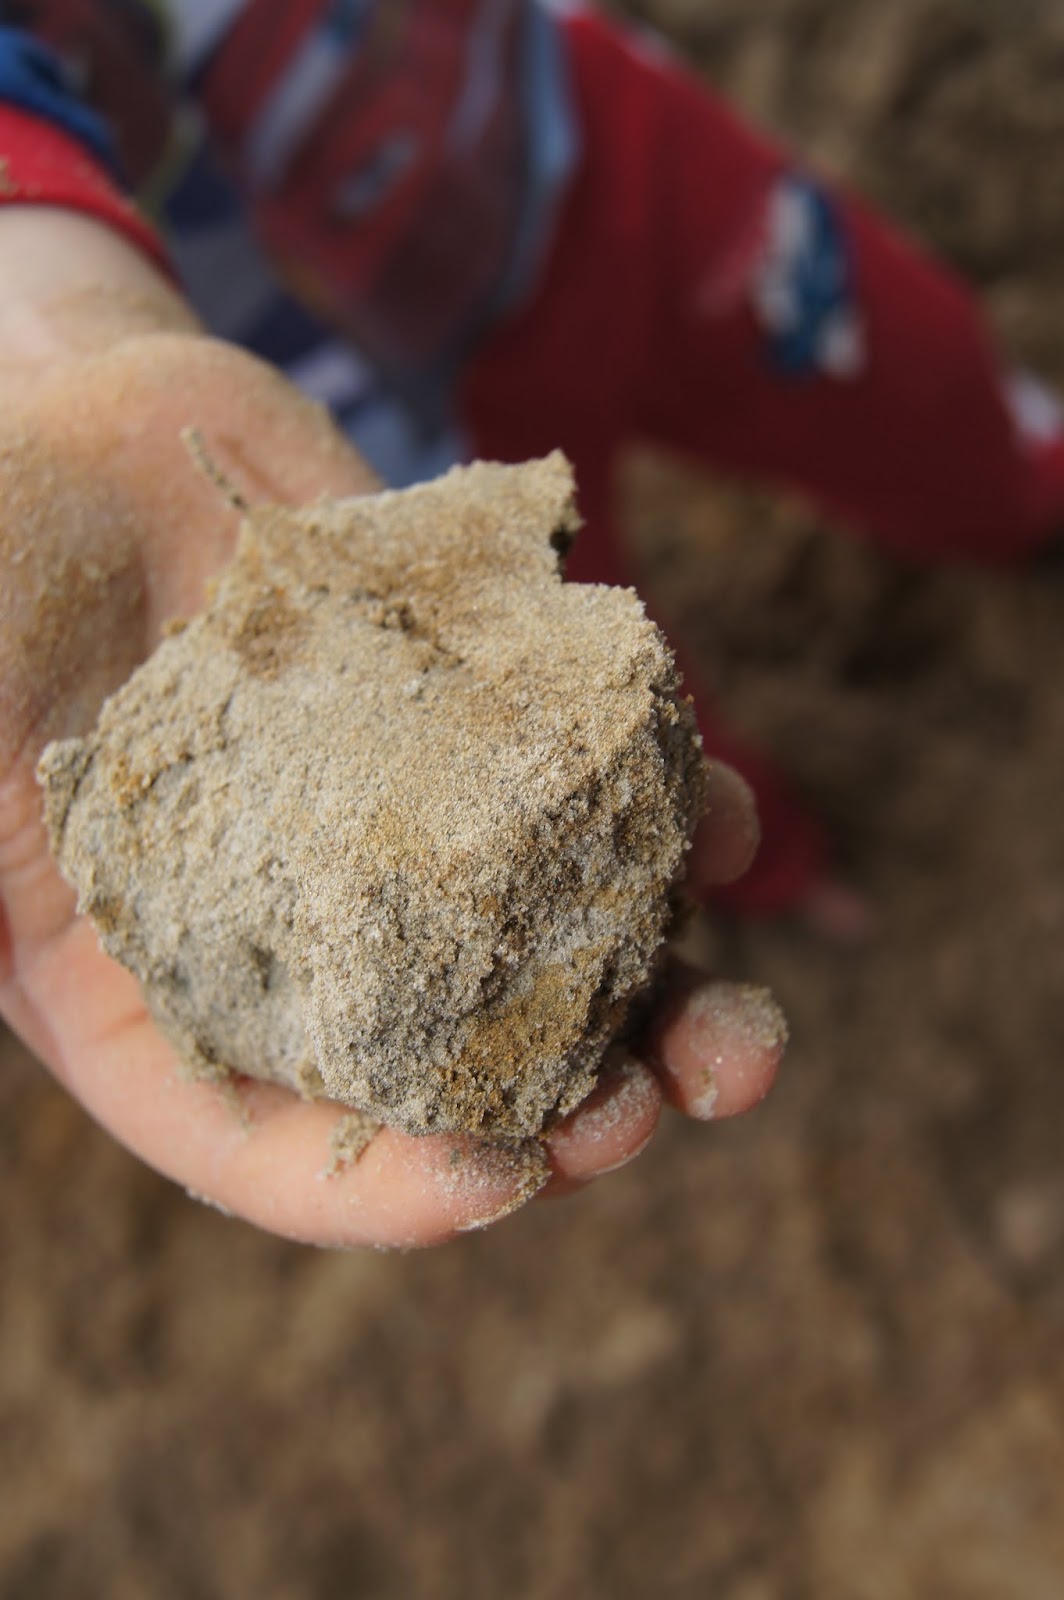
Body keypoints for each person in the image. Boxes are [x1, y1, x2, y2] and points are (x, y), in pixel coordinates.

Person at [0, 1, 1058, 1244]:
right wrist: (42, 350)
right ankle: (781, 873)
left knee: (887, 365)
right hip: (379, 444)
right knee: (631, 691)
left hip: (562, 139)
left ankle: (1020, 492)